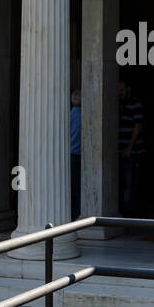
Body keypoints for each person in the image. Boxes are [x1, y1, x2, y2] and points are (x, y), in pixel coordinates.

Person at [118, 79, 145, 218]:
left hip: (132, 152)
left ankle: (130, 216)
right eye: (118, 91)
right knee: (121, 183)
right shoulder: (117, 104)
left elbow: (138, 126)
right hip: (119, 151)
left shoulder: (136, 104)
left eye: (122, 90)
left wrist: (129, 148)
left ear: (128, 89)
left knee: (130, 184)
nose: (120, 93)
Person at [70, 90, 82, 220]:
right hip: (78, 155)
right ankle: (76, 215)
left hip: (70, 155)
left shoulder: (67, 115)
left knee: (72, 189)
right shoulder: (84, 116)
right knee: (78, 189)